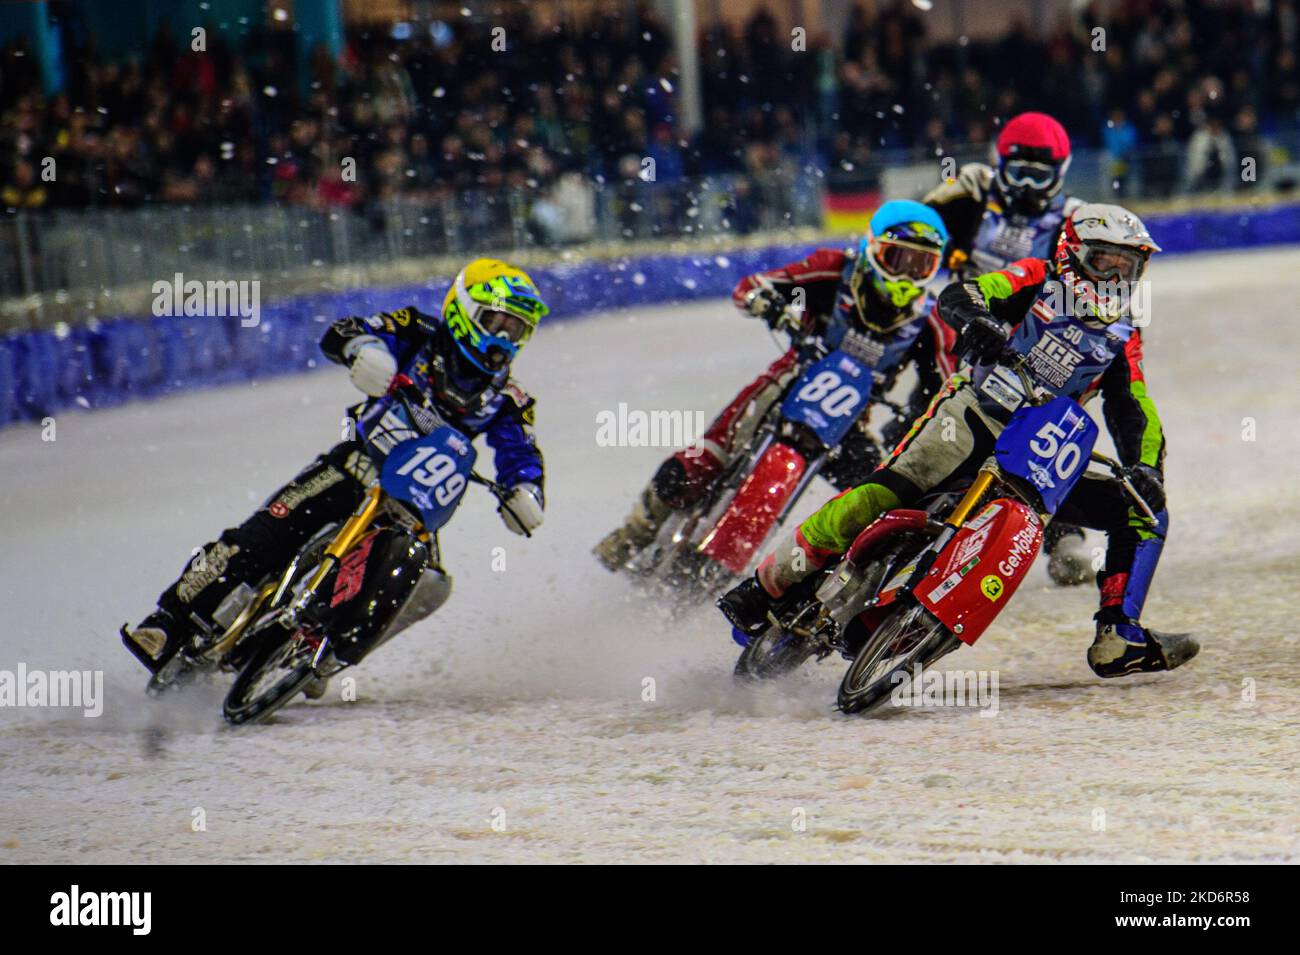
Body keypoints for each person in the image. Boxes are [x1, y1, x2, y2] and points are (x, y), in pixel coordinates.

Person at [719, 203, 1199, 679]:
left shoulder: (1124, 333)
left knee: (1144, 510)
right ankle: (769, 583)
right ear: (1073, 253)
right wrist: (976, 322)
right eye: (1102, 262)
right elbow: (964, 292)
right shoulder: (1034, 276)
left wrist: (1146, 468)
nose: (1112, 278)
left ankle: (1119, 633)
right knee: (891, 488)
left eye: (1127, 267)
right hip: (972, 415)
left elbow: (1133, 404)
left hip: (1043, 453)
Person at [123, 259, 550, 674]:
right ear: (465, 312)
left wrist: (525, 490)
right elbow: (348, 330)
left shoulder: (509, 399)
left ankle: (326, 656)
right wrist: (361, 349)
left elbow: (522, 454)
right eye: (499, 323)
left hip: (415, 506)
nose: (505, 340)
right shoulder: (418, 331)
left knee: (427, 587)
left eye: (517, 331)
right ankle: (167, 622)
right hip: (358, 461)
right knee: (260, 536)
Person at [593, 200, 950, 571]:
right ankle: (632, 535)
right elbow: (757, 286)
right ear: (872, 249)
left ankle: (820, 585)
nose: (908, 276)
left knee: (876, 502)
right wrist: (768, 303)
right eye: (898, 260)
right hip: (787, 383)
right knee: (695, 467)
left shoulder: (929, 321)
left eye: (921, 265)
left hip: (847, 421)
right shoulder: (834, 270)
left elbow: (942, 383)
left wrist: (923, 418)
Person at [909, 110, 1092, 585]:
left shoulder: (1072, 220)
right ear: (998, 164)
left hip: (1030, 342)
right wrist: (940, 207)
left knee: (1043, 433)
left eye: (1040, 175)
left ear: (1060, 174)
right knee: (926, 411)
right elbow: (919, 232)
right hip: (958, 328)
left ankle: (1063, 534)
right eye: (1018, 172)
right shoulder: (971, 192)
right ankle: (908, 510)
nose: (1028, 186)